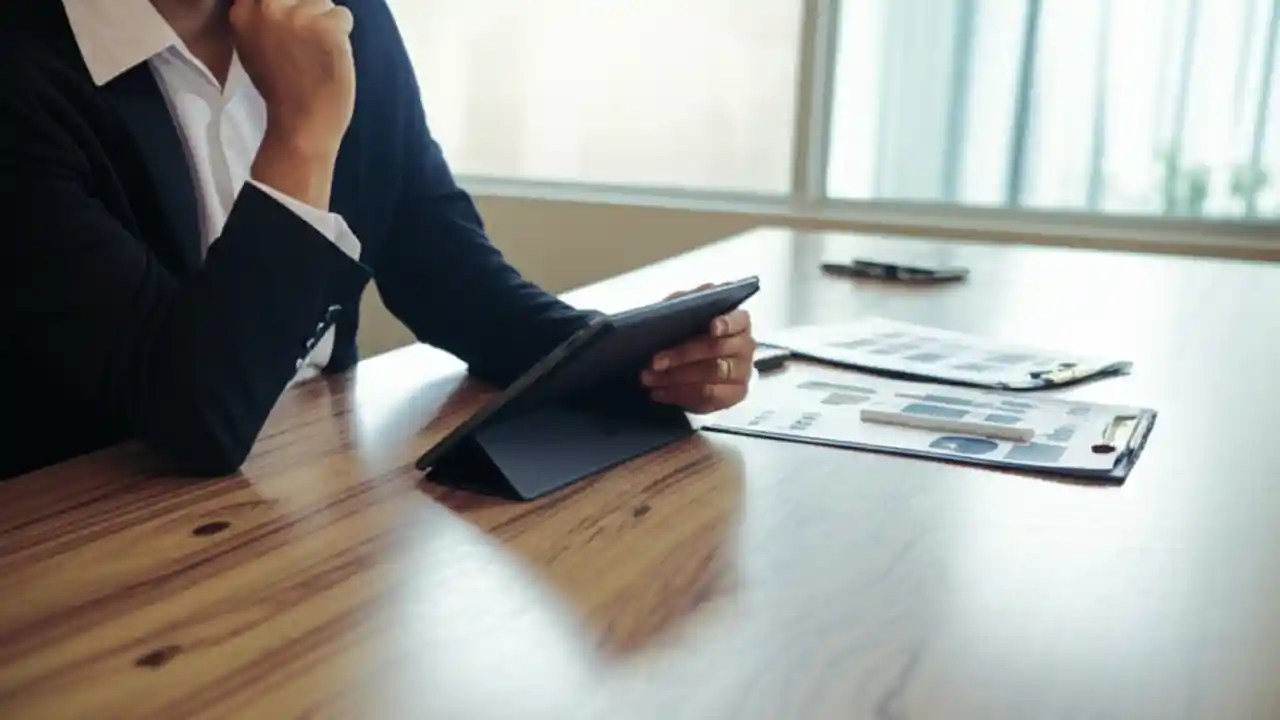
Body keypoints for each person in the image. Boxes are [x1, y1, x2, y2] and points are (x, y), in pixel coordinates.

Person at [0, 0, 756, 479]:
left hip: (312, 485)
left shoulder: (344, 16)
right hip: (84, 526)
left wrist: (639, 360)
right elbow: (194, 421)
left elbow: (449, 274)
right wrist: (300, 136)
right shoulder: (24, 70)